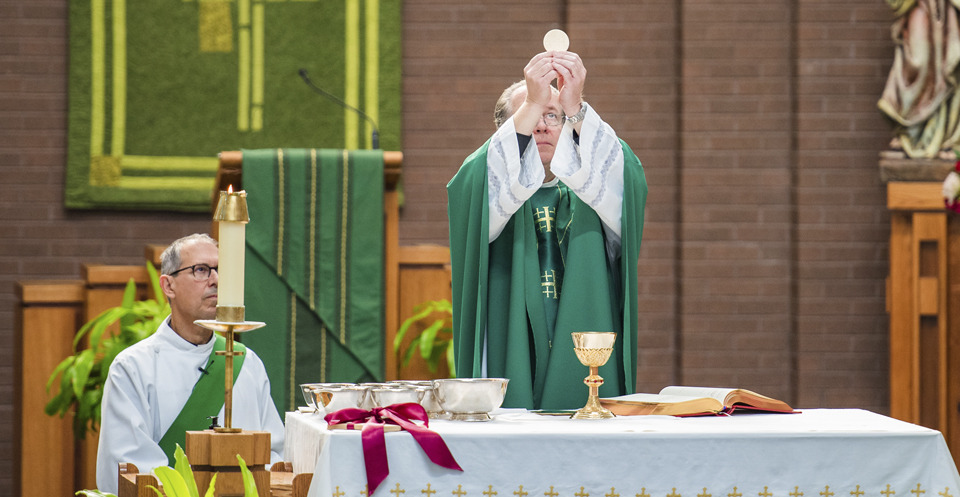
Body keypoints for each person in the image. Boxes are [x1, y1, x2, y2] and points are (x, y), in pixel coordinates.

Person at [447, 50, 648, 410]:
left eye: (552, 115)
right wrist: (534, 102)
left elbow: (625, 177)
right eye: (530, 116)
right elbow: (472, 187)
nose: (541, 126)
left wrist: (576, 107)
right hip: (510, 357)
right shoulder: (492, 192)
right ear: (507, 133)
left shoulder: (595, 194)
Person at [96, 233, 285, 493]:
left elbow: (274, 454)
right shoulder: (133, 367)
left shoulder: (247, 363)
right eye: (201, 270)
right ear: (168, 286)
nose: (216, 280)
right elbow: (129, 465)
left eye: (220, 270)